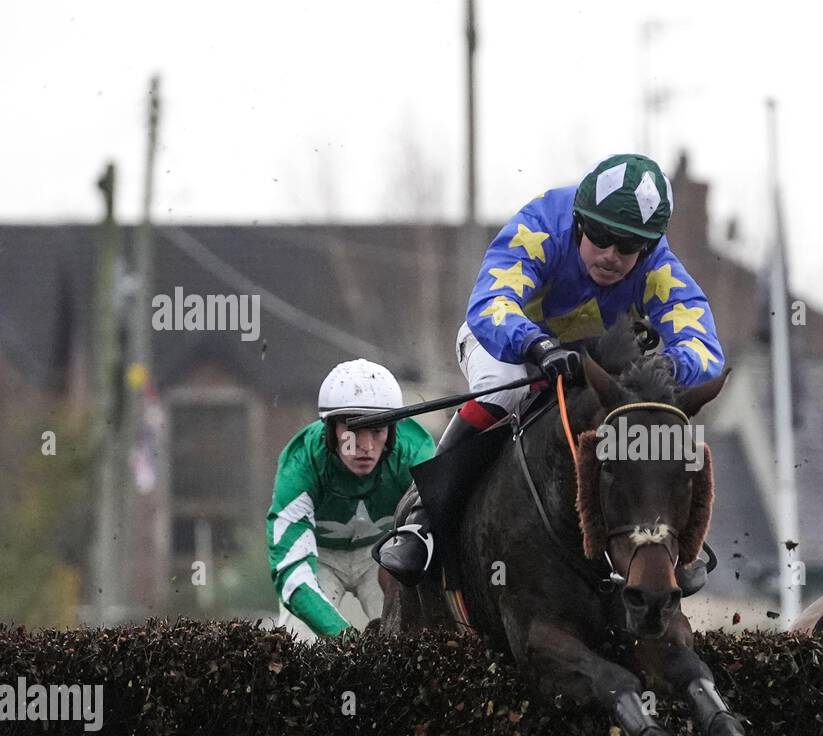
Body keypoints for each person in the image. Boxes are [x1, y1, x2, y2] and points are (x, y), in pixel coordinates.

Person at [378, 152, 723, 593]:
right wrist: (537, 345)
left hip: (587, 359)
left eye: (629, 246)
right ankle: (423, 521)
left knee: (648, 411)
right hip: (506, 342)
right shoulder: (540, 226)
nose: (612, 256)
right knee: (502, 392)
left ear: (649, 247)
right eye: (600, 237)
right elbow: (492, 302)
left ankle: (671, 545)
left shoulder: (658, 266)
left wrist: (671, 367)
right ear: (579, 222)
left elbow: (702, 344)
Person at [267, 359, 435, 639]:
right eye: (353, 431)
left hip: (381, 555)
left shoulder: (416, 454)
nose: (366, 447)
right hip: (319, 558)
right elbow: (292, 573)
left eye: (377, 431)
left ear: (392, 432)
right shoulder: (301, 463)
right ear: (331, 430)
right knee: (301, 645)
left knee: (405, 643)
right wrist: (346, 640)